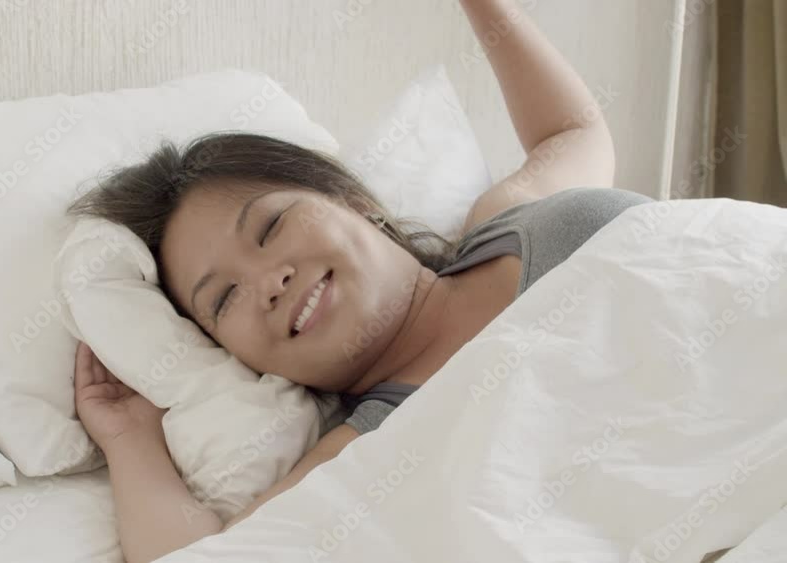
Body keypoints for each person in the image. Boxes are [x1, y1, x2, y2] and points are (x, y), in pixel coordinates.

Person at [67, 0, 653, 561]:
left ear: (350, 200)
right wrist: (129, 441)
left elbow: (571, 133)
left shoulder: (512, 221)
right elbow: (203, 560)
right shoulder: (366, 453)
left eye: (271, 227)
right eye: (224, 299)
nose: (268, 282)